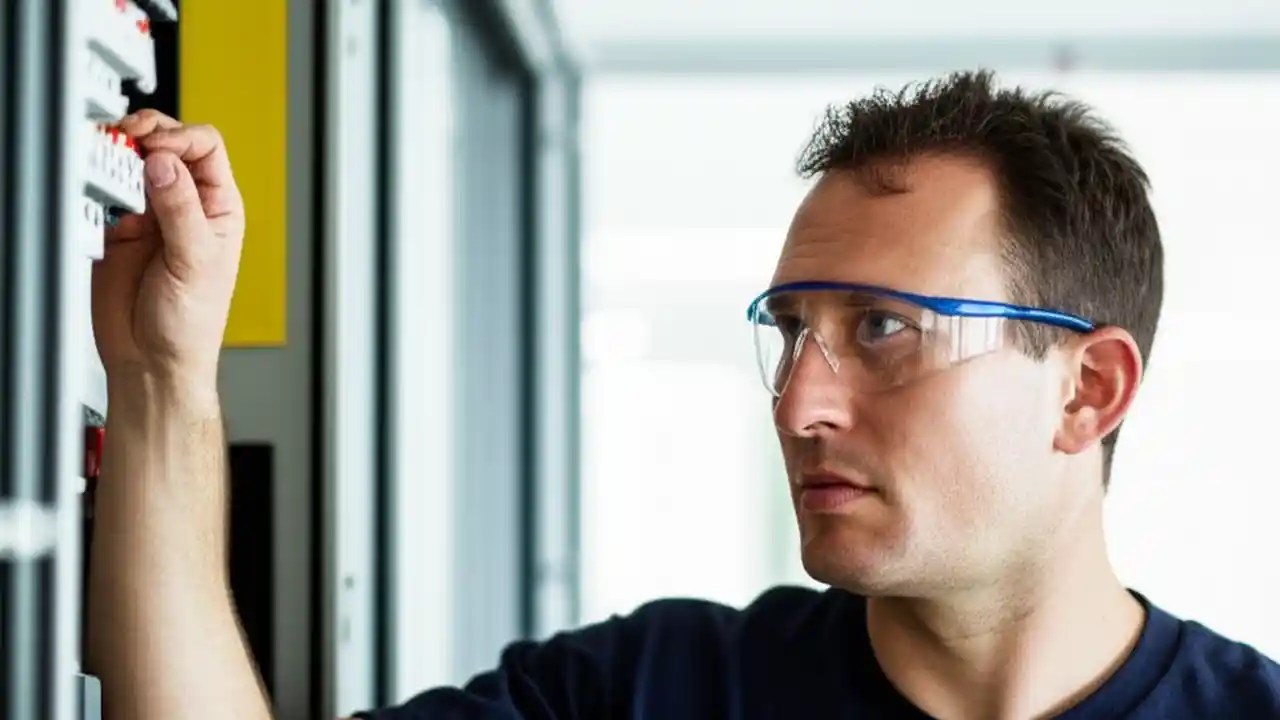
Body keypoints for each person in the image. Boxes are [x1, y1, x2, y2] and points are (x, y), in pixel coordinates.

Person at [87, 71, 1280, 719]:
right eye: (791, 331)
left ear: (1087, 390)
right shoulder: (648, 691)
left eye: (880, 330)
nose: (799, 401)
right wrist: (160, 375)